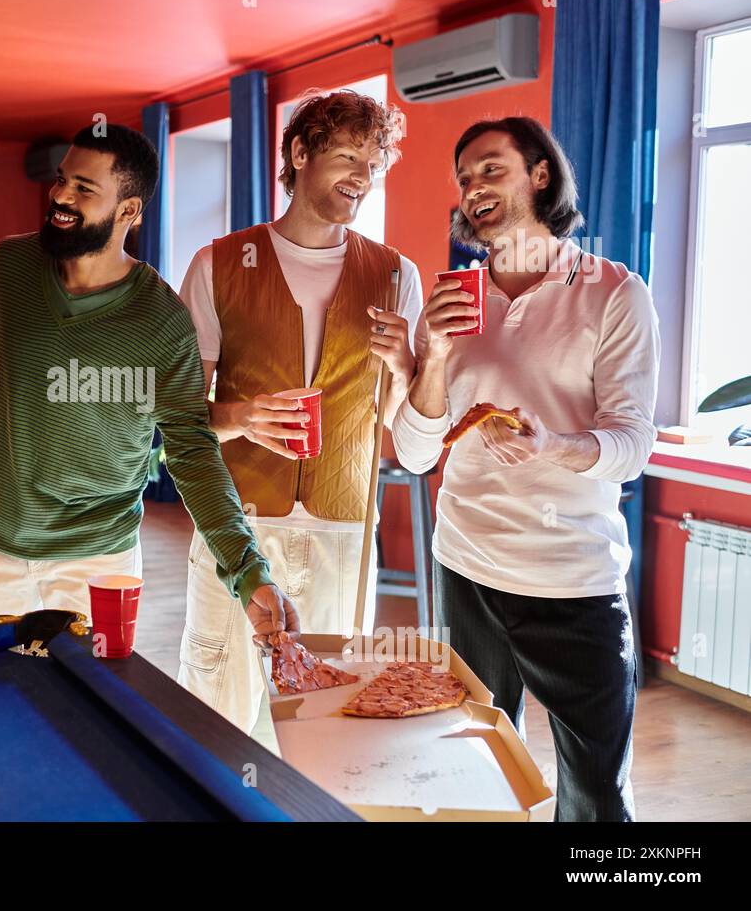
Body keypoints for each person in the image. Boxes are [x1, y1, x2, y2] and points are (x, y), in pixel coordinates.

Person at [391, 116, 659, 821]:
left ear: (541, 175)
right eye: (464, 178)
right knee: (472, 768)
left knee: (597, 793)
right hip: (465, 567)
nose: (471, 187)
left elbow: (634, 445)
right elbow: (418, 454)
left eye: (489, 168)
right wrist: (436, 358)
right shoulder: (454, 301)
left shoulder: (614, 293)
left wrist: (553, 447)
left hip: (572, 578)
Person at [0, 123, 296, 647]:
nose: (61, 196)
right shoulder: (10, 266)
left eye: (84, 189)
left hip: (96, 559)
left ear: (128, 212)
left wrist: (247, 570)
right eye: (62, 180)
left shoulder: (161, 321)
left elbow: (192, 452)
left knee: (82, 716)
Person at [177, 89, 422, 742]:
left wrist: (405, 367)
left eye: (374, 165)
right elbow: (180, 419)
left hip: (343, 534)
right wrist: (243, 416)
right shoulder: (219, 265)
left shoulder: (398, 276)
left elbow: (393, 422)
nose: (361, 178)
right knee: (214, 723)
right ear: (298, 153)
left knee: (323, 730)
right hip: (239, 527)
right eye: (347, 156)